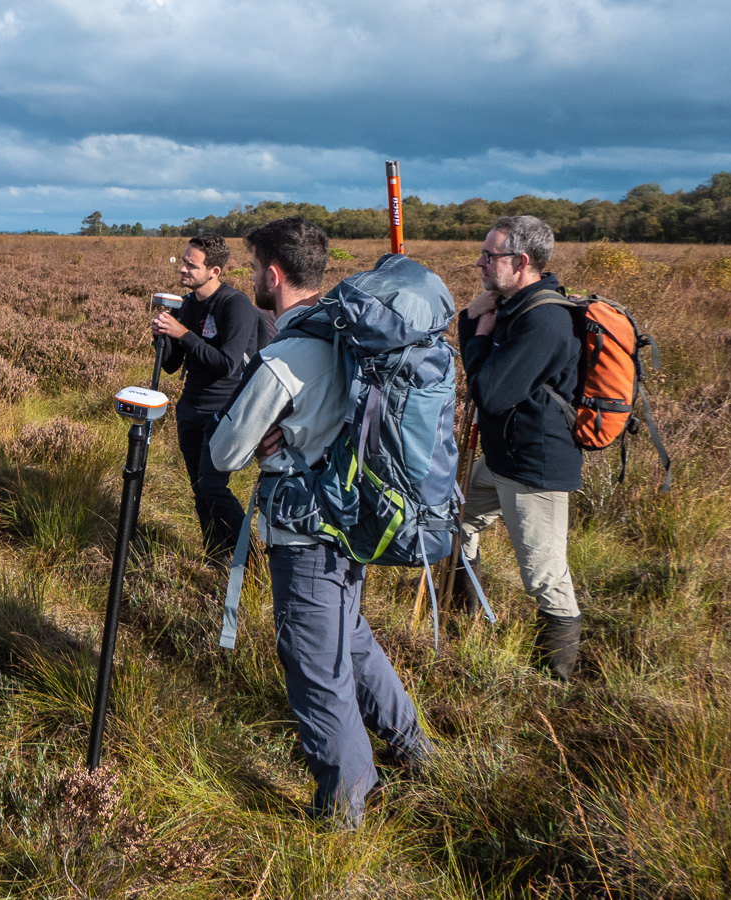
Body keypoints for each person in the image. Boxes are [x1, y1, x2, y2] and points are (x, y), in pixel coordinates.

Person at [207, 218, 431, 827]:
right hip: (353, 523)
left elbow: (224, 454)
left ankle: (344, 803)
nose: (253, 278)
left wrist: (260, 438)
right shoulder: (351, 341)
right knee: (349, 637)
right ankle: (414, 750)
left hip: (304, 537)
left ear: (273, 274)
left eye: (254, 269)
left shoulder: (285, 356)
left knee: (314, 666)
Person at [457, 215, 583, 679]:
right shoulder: (513, 305)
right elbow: (481, 369)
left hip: (535, 466)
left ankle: (554, 680)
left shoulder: (545, 321)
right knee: (456, 521)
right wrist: (472, 321)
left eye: (490, 256)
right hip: (501, 455)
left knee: (544, 576)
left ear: (522, 261)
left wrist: (481, 332)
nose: (480, 263)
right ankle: (461, 616)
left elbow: (488, 390)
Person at [151, 233, 271, 564]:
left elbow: (227, 364)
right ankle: (217, 556)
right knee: (199, 488)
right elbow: (174, 366)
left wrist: (183, 334)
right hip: (190, 407)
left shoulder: (236, 305)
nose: (184, 269)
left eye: (192, 264)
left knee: (213, 488)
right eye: (183, 261)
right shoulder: (188, 304)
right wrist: (163, 337)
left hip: (225, 411)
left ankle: (250, 562)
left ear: (214, 271)